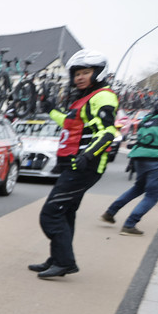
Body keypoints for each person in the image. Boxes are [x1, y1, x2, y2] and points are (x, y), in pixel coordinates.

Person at [27, 50, 119, 278]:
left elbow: (108, 132)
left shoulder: (103, 96)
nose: (80, 77)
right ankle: (57, 258)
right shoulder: (84, 99)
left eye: (86, 72)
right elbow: (70, 123)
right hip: (73, 165)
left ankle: (65, 262)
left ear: (98, 73)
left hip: (84, 166)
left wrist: (87, 155)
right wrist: (50, 109)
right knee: (66, 213)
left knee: (50, 213)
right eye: (77, 73)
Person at [98, 84, 158, 235]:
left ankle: (110, 212)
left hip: (140, 157)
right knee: (152, 195)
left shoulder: (153, 114)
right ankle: (130, 225)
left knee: (138, 187)